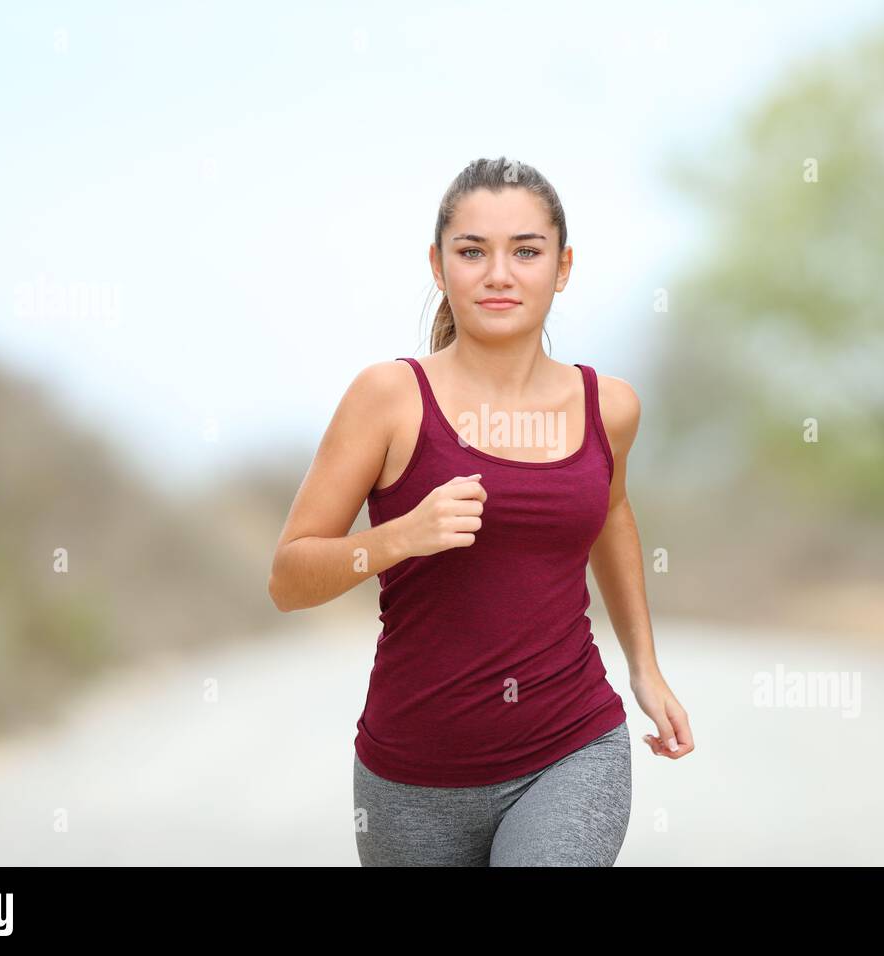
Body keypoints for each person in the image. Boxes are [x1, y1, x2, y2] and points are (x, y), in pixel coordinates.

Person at [268, 156, 693, 866]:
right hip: (410, 776)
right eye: (473, 252)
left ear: (562, 268)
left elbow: (613, 516)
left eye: (526, 251)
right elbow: (288, 579)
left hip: (571, 747)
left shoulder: (609, 408)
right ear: (438, 266)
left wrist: (644, 668)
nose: (500, 273)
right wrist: (402, 535)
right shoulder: (389, 398)